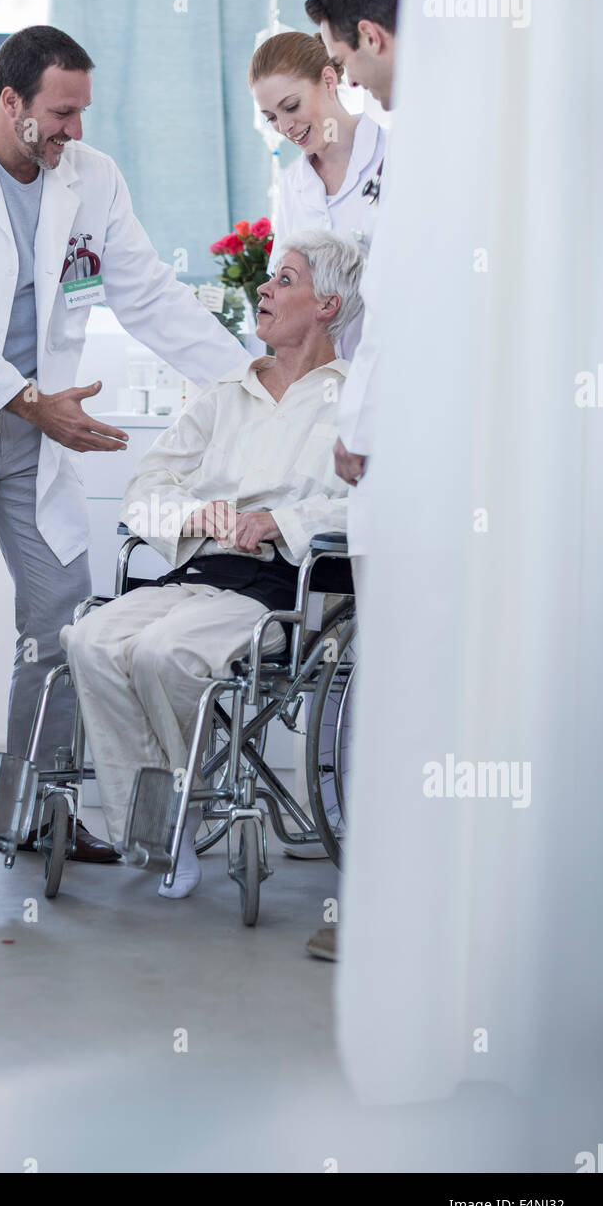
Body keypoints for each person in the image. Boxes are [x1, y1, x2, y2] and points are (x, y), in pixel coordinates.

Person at [0, 25, 244, 857]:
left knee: (63, 624)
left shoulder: (92, 180)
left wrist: (249, 375)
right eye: (61, 114)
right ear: (10, 102)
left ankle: (39, 807)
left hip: (38, 439)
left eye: (82, 114)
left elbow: (148, 295)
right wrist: (35, 403)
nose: (75, 132)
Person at [61, 231, 362, 898]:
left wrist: (276, 522)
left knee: (164, 654)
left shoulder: (357, 402)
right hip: (195, 572)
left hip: (277, 589)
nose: (263, 288)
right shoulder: (223, 394)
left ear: (327, 304)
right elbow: (147, 488)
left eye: (284, 279)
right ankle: (154, 819)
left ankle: (178, 821)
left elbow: (370, 503)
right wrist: (193, 517)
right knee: (89, 638)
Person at [301, 0, 404, 959]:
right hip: (414, 451)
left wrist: (354, 432)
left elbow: (398, 322)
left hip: (403, 461)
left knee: (401, 690)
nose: (348, 81)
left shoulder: (419, 152)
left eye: (340, 60)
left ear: (368, 38)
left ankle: (382, 903)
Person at [248, 30, 386, 360]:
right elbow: (287, 292)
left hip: (394, 371)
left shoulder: (393, 158)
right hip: (319, 382)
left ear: (327, 80)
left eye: (291, 106)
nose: (284, 127)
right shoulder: (294, 184)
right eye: (271, 118)